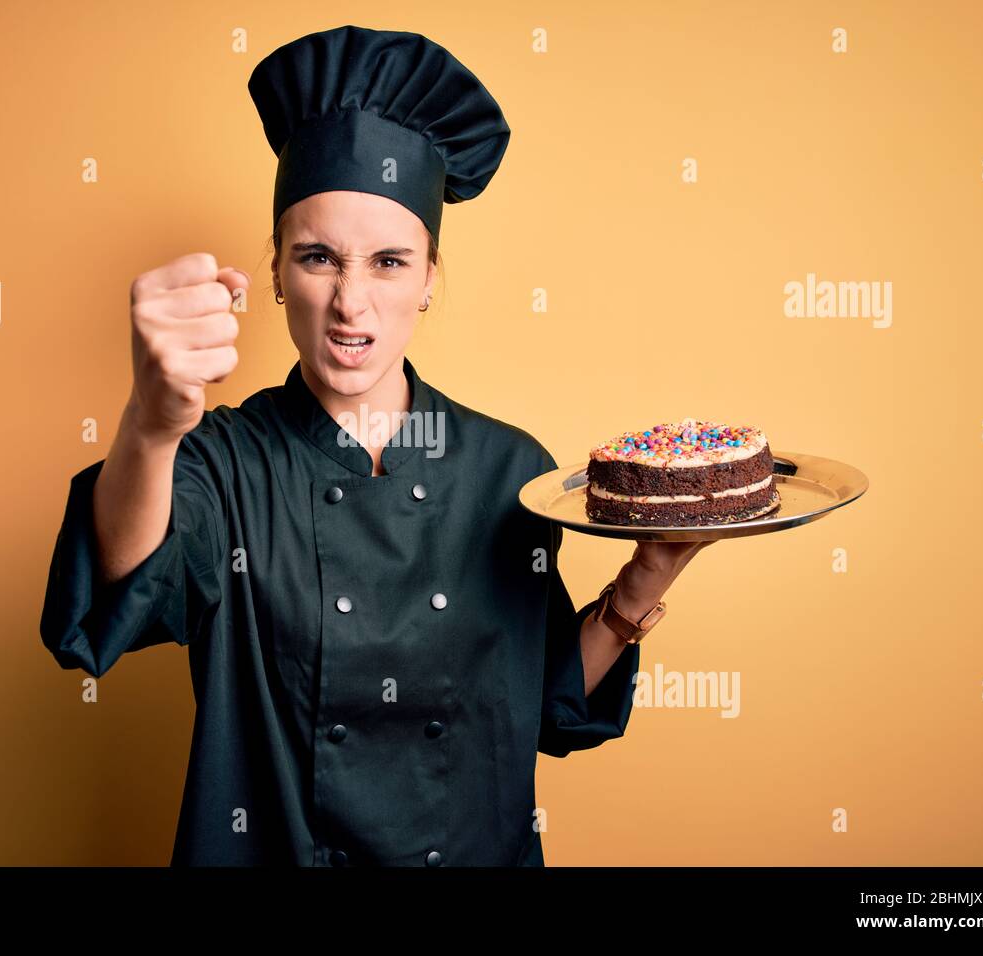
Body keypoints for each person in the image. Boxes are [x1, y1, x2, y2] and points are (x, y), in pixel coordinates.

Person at [39, 24, 714, 867]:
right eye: (318, 258)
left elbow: (542, 710)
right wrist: (149, 424)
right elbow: (123, 584)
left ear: (431, 277)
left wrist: (649, 574)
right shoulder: (223, 459)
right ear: (277, 271)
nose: (350, 304)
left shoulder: (509, 471)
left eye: (389, 263)